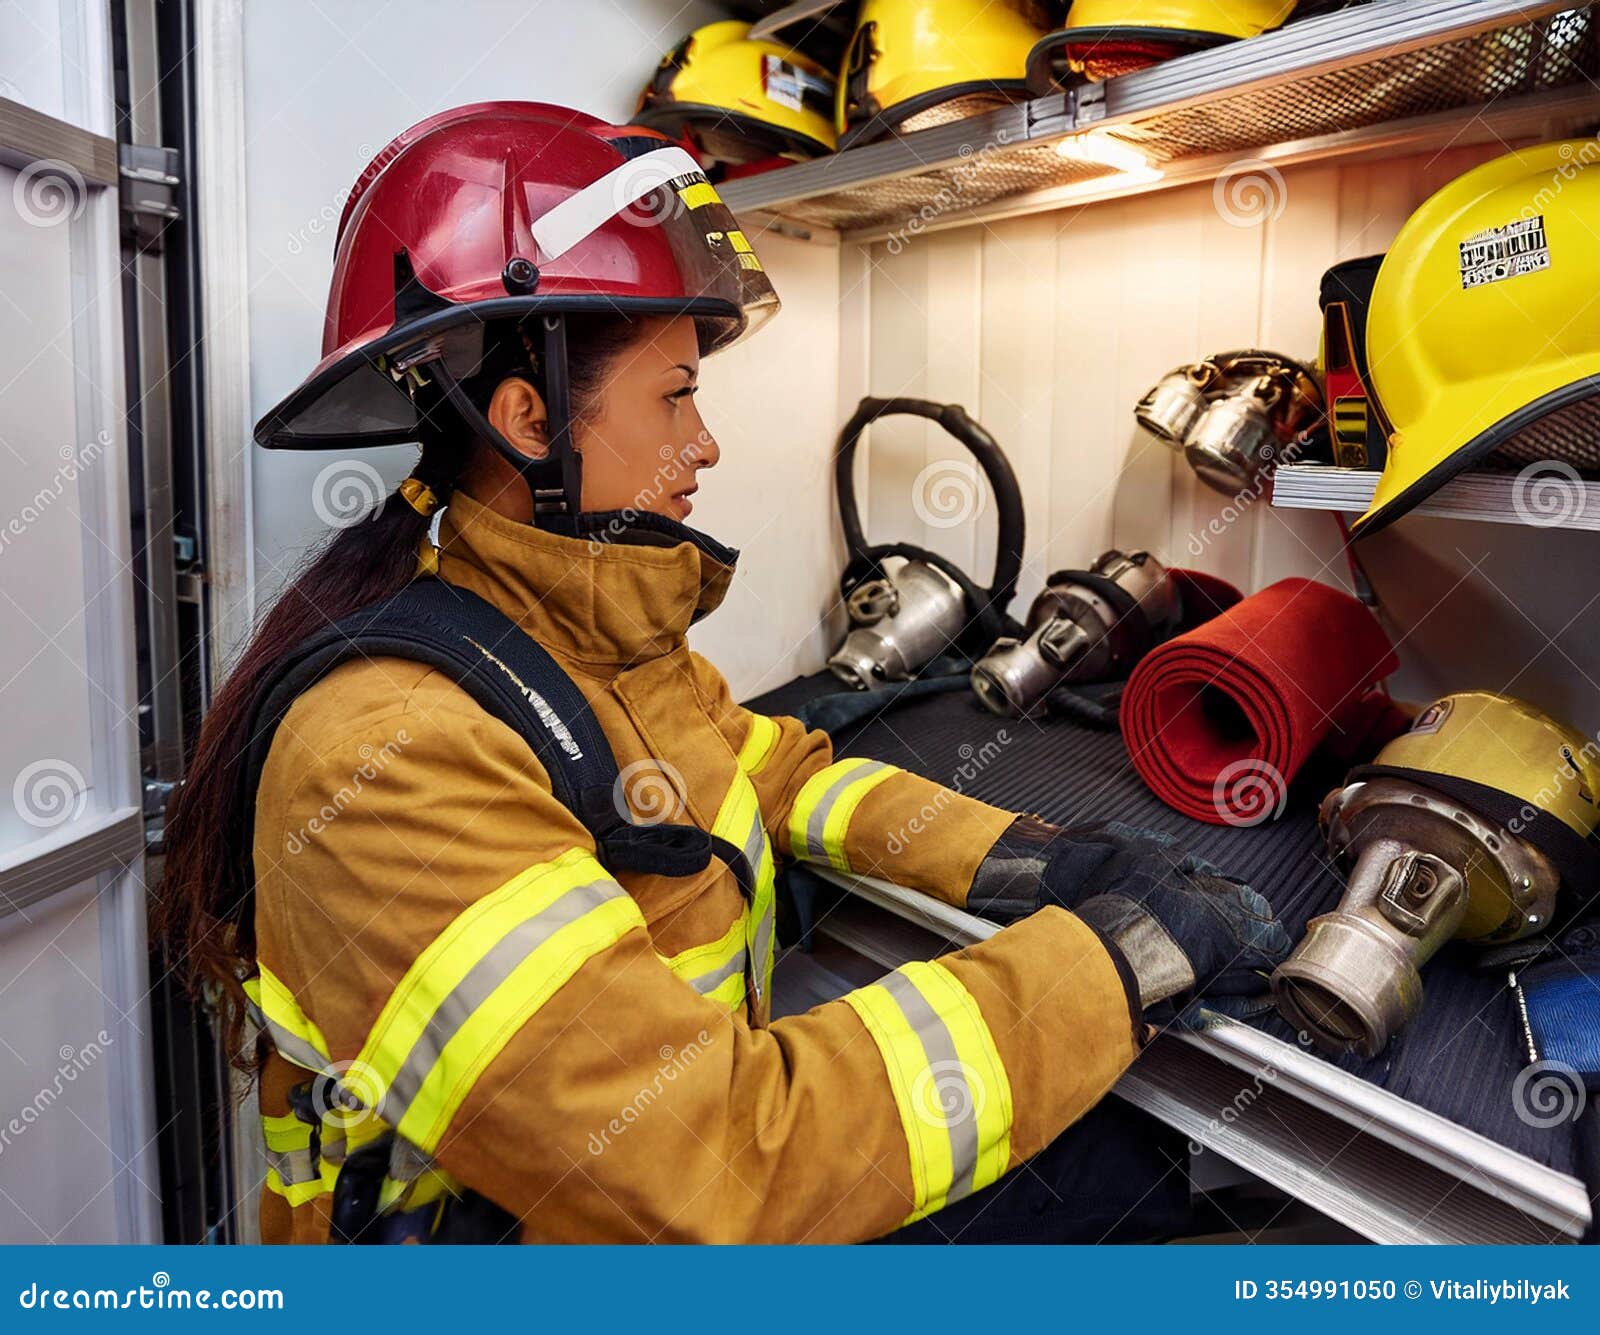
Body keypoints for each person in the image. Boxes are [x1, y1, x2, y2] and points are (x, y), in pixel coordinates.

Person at [159, 102, 1289, 1245]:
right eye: (676, 396)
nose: (704, 445)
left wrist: (1034, 865)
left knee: (1100, 1167)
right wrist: (1118, 957)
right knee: (1097, 1188)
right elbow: (709, 1172)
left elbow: (780, 775)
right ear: (529, 417)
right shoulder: (383, 758)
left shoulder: (588, 640)